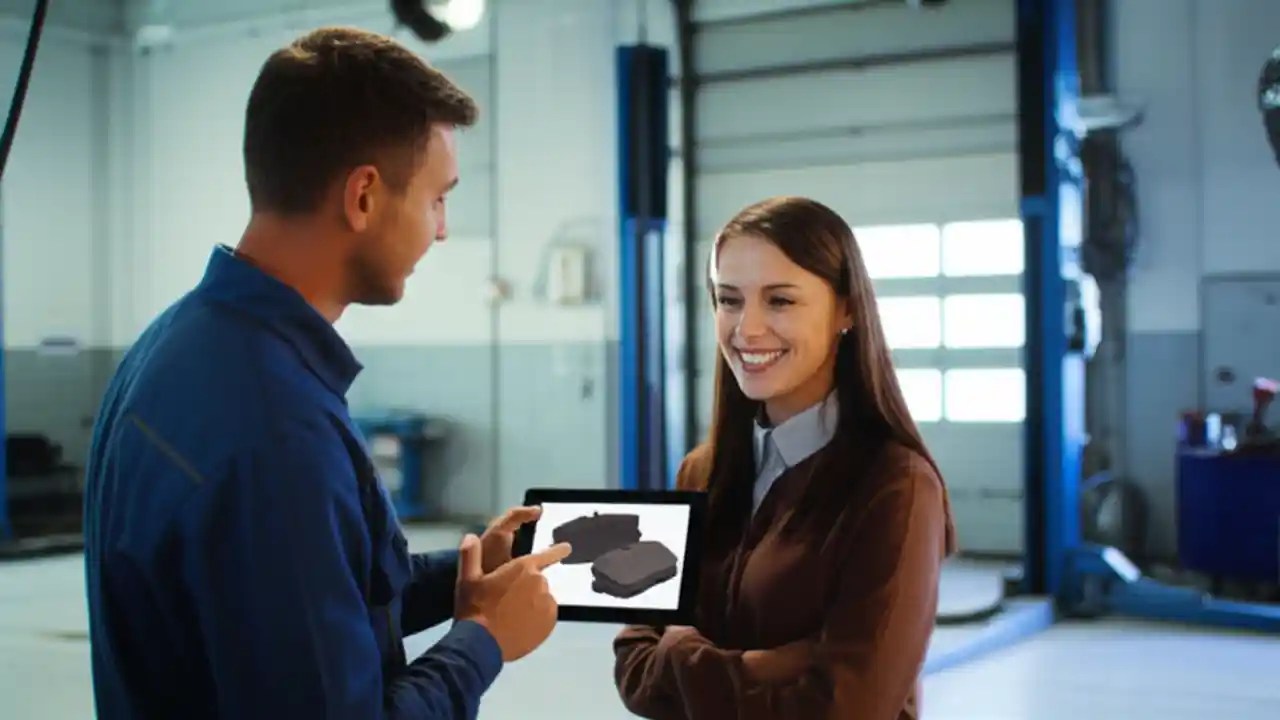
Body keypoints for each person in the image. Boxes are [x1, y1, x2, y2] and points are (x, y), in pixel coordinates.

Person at [82, 27, 570, 719]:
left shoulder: (174, 347)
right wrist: (484, 640)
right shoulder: (277, 430)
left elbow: (295, 614)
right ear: (364, 197)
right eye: (437, 198)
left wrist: (461, 579)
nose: (441, 231)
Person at [613, 196, 958, 719]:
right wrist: (765, 666)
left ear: (846, 309)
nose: (747, 329)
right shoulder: (699, 472)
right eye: (729, 300)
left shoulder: (896, 488)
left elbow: (848, 709)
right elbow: (632, 665)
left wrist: (682, 654)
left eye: (779, 301)